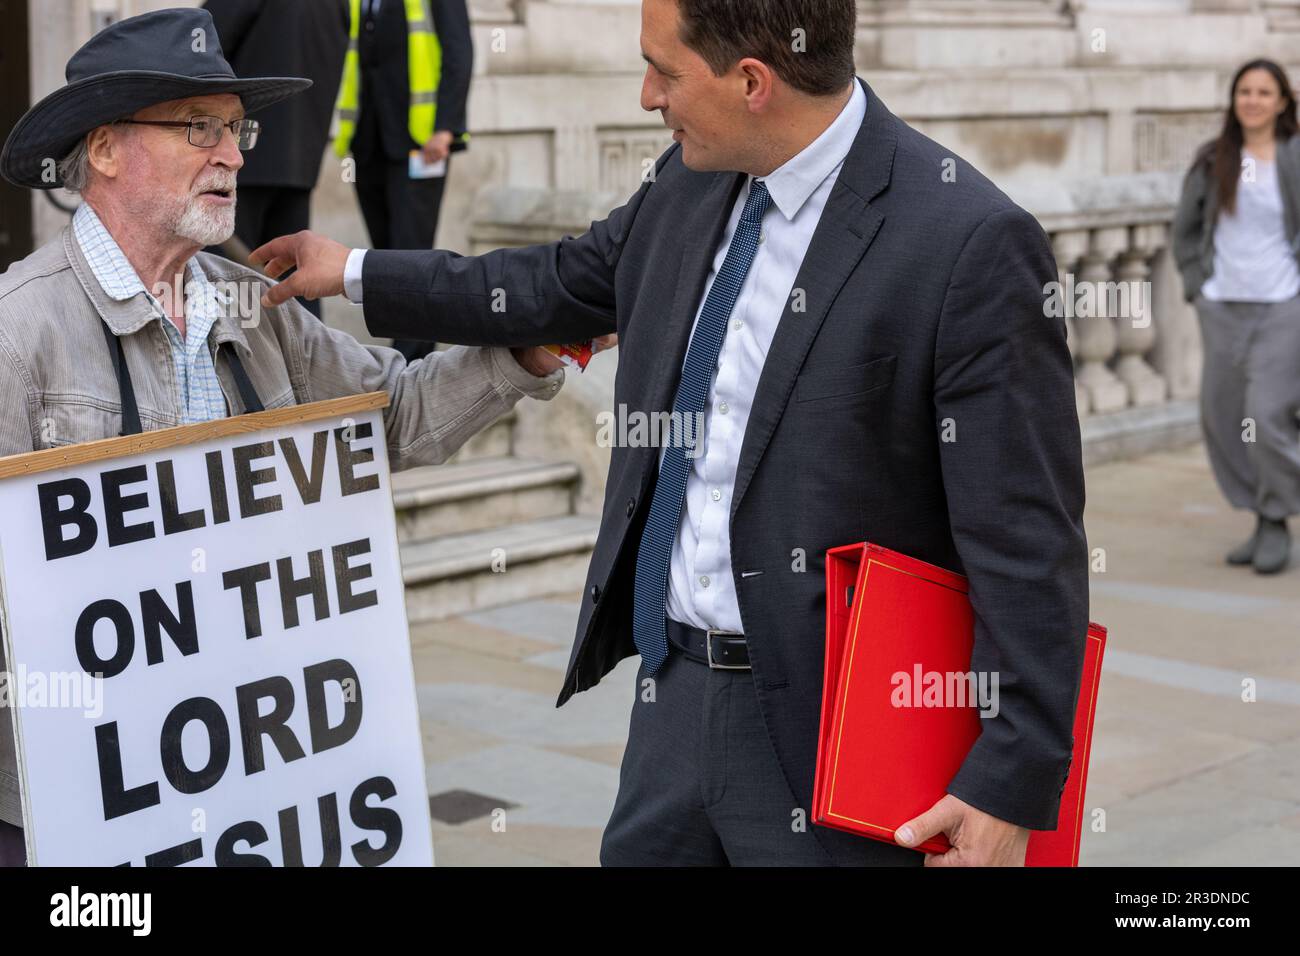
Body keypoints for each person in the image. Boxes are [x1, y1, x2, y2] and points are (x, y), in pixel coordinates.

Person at [252, 0, 1090, 867]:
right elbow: (556, 281)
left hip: (835, 731)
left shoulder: (968, 241)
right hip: (674, 704)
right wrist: (354, 271)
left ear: (753, 82)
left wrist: (1009, 779)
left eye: (665, 69)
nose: (648, 94)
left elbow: (1026, 538)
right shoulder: (689, 178)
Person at [0, 7, 563, 867]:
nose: (232, 154)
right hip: (72, 809)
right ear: (106, 148)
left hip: (247, 781)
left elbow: (397, 416)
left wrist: (522, 350)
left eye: (236, 128)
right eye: (199, 128)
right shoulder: (19, 330)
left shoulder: (251, 301)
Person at [1173, 58, 1300, 576]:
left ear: (1284, 103)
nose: (1252, 100)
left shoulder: (1294, 157)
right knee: (1222, 418)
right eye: (1244, 91)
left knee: (1267, 415)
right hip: (1222, 305)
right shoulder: (1212, 159)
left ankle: (1275, 516)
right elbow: (1185, 229)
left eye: (1264, 92)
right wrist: (1196, 286)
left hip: (1283, 304)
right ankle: (1261, 512)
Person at [335, 0, 473, 362]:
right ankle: (410, 348)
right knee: (385, 256)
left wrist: (445, 128)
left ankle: (413, 357)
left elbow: (459, 52)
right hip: (368, 143)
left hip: (420, 144)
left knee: (412, 253)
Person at [201, 0, 351, 317]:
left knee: (225, 275)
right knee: (295, 275)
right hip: (301, 159)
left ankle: (233, 362)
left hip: (242, 152)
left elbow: (199, 48)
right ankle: (311, 360)